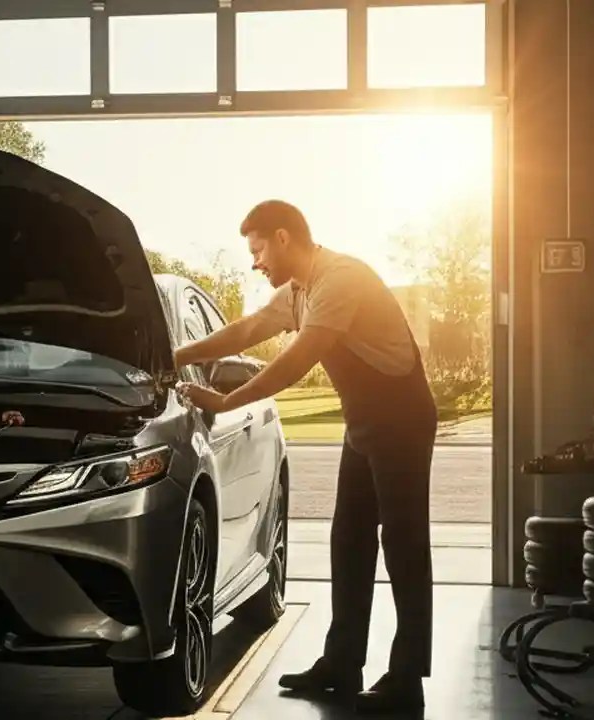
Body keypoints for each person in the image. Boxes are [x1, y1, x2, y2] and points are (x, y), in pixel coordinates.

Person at [174, 200, 437, 715]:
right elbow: (245, 331)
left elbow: (298, 359)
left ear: (283, 237)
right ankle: (342, 665)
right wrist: (177, 355)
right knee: (348, 539)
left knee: (404, 542)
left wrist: (227, 402)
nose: (256, 263)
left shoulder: (341, 279)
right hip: (365, 423)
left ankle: (407, 677)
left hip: (401, 419)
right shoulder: (298, 291)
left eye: (258, 250)